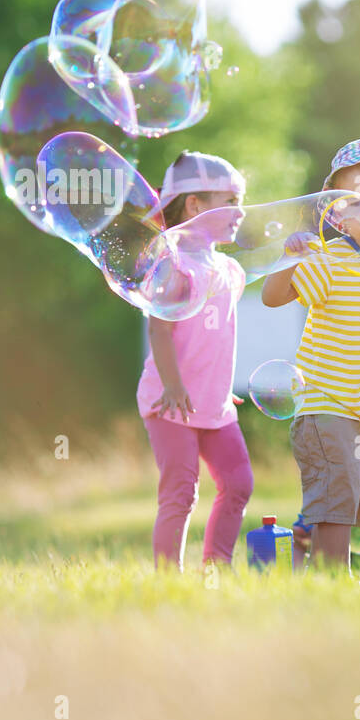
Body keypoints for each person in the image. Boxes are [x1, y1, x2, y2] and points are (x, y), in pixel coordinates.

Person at [261, 138, 360, 574]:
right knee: (337, 498)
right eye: (356, 203)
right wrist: (290, 257)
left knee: (357, 499)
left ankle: (311, 559)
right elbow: (274, 298)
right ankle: (335, 579)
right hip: (324, 400)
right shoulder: (331, 258)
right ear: (337, 215)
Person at [136, 151, 253, 571]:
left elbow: (215, 334)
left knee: (238, 483)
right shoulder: (174, 266)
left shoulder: (228, 268)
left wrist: (216, 386)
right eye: (231, 200)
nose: (241, 210)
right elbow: (160, 329)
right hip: (170, 401)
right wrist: (173, 385)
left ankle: (215, 570)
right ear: (195, 205)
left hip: (213, 405)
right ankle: (168, 577)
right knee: (182, 491)